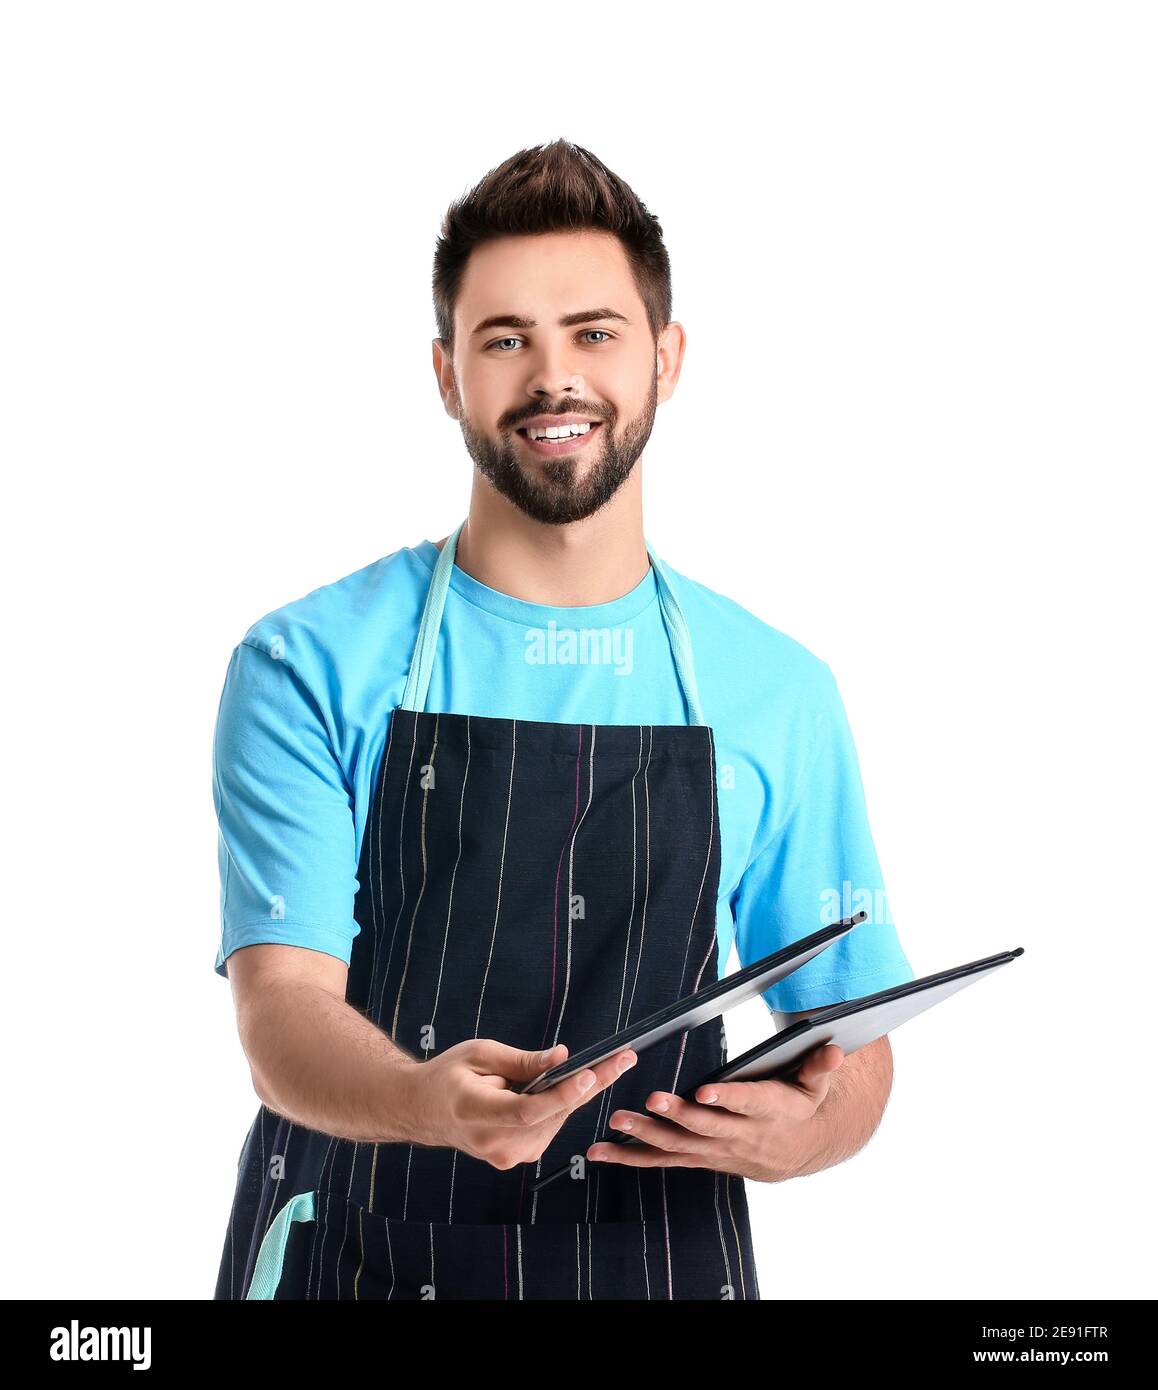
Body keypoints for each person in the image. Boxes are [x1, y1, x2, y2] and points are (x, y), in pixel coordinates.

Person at [211, 139, 915, 1301]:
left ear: (665, 357)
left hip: (656, 1262)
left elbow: (857, 1043)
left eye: (593, 332)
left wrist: (809, 1130)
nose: (554, 378)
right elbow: (281, 1011)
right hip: (352, 1259)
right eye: (506, 339)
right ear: (447, 372)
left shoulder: (777, 689)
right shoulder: (308, 661)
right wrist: (427, 1100)